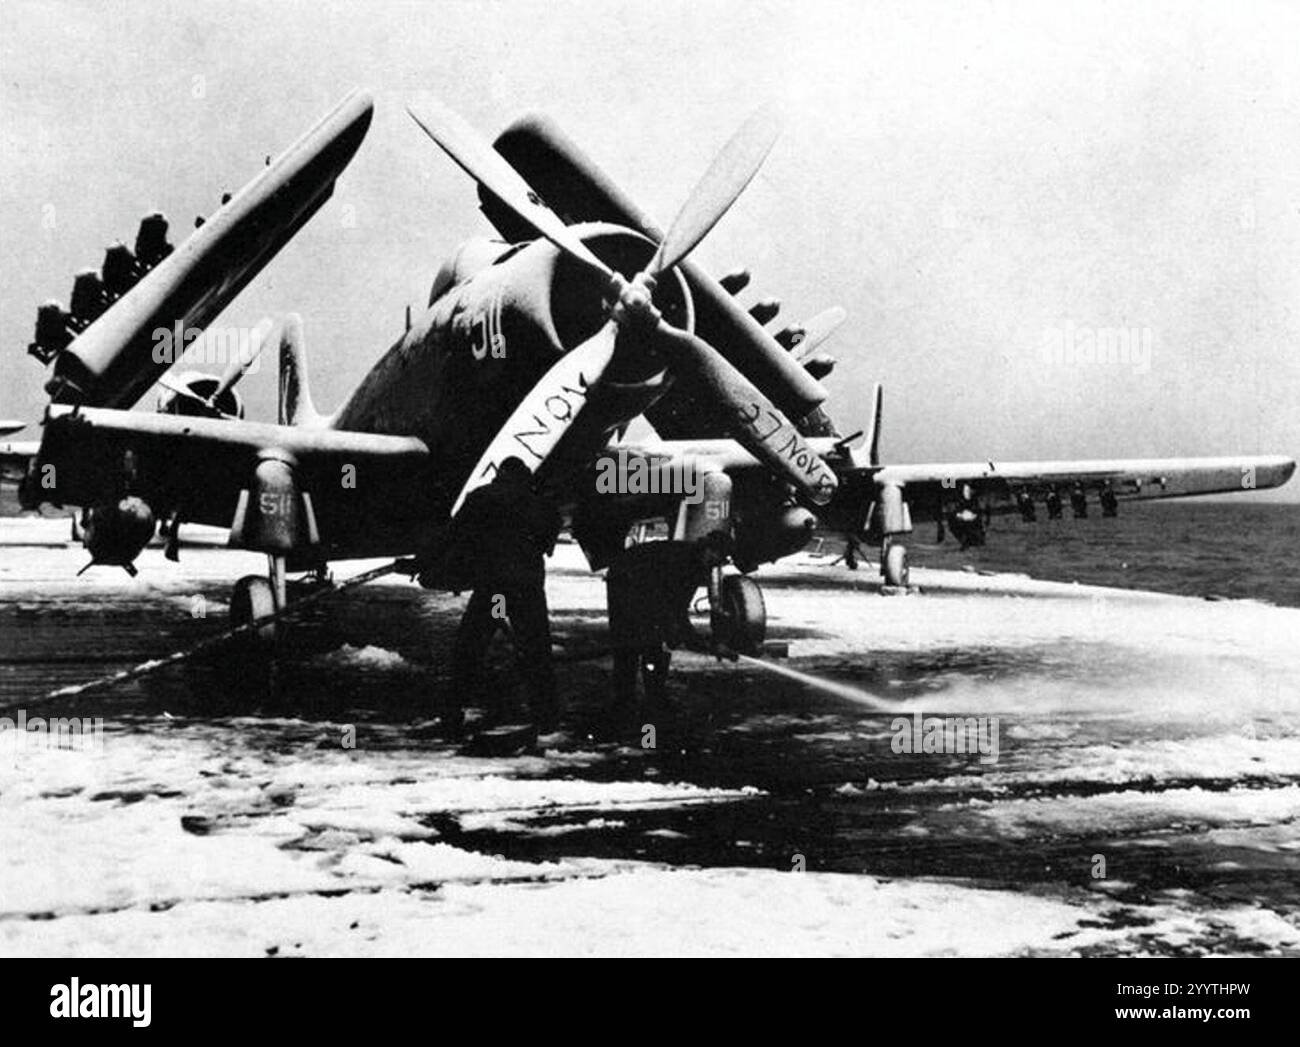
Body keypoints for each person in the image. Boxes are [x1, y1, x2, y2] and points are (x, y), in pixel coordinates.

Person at [444, 457, 562, 737]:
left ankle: (452, 712)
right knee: (536, 649)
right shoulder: (540, 502)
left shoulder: (482, 497)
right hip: (527, 586)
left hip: (492, 586)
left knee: (470, 646)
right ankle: (545, 717)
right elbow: (548, 541)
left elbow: (454, 535)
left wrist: (422, 563)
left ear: (500, 475)